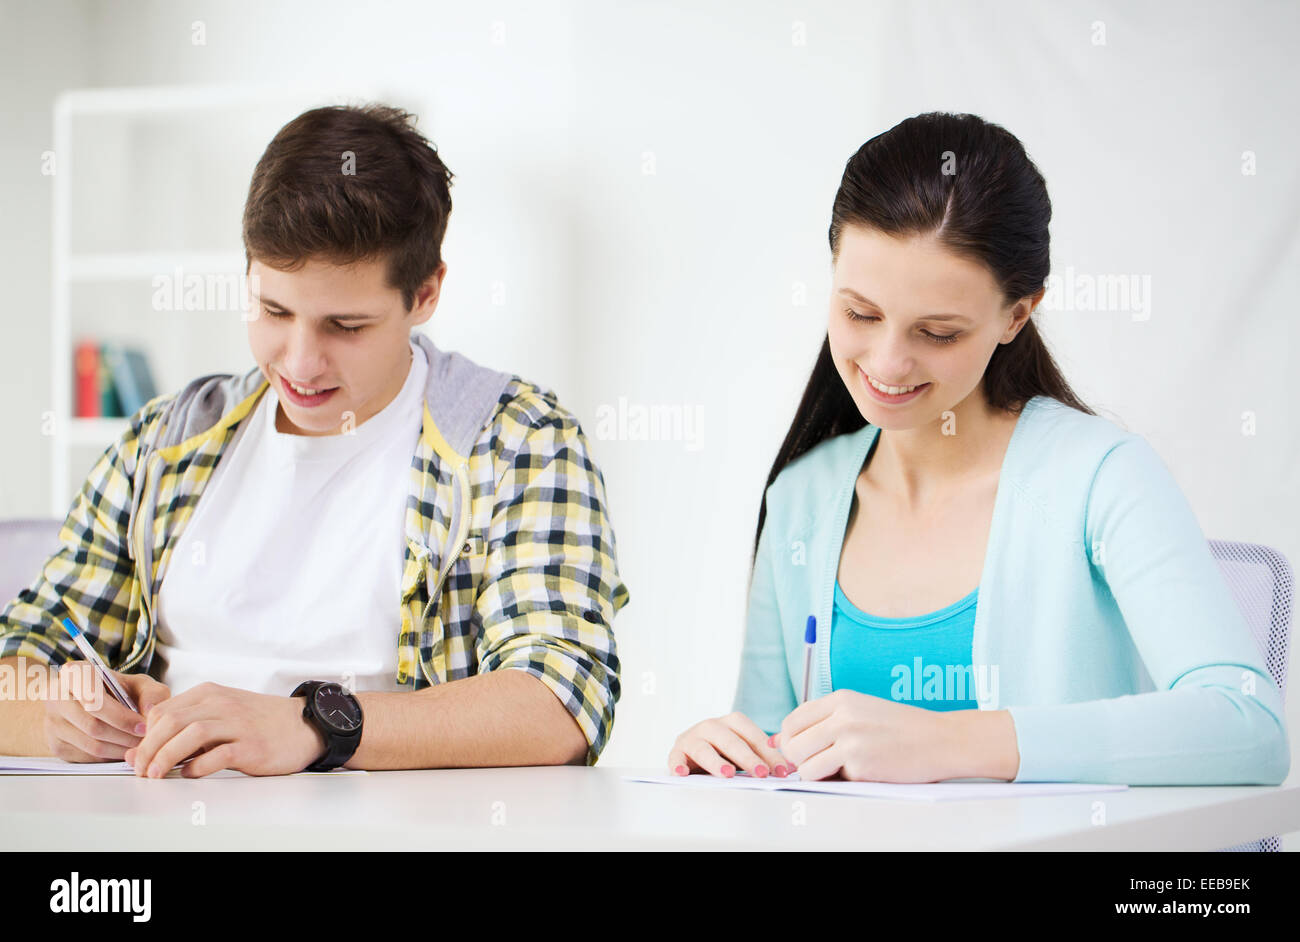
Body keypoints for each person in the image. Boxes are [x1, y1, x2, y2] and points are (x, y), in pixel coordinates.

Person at [0, 103, 629, 777]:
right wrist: (59, 716)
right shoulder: (164, 443)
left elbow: (561, 700)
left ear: (426, 293)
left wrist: (316, 725)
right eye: (274, 311)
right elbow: (18, 668)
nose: (300, 364)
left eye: (346, 326)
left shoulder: (518, 443)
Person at [668, 112, 1288, 785]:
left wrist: (947, 743)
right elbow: (774, 754)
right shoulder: (803, 497)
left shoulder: (1101, 477)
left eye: (936, 332)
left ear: (1016, 316)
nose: (887, 362)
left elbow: (1249, 727)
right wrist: (728, 758)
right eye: (860, 314)